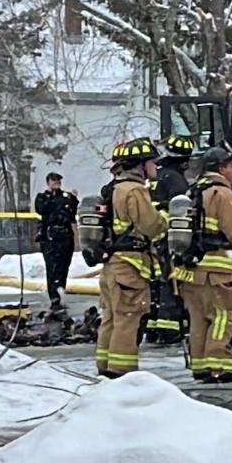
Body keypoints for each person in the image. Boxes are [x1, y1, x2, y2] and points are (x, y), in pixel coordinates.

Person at [172, 146, 232, 383]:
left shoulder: (193, 191)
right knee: (224, 316)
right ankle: (219, 366)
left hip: (191, 271)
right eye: (231, 166)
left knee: (200, 318)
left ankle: (200, 365)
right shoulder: (223, 194)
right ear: (221, 168)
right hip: (218, 271)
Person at [93, 138, 167, 377]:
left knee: (112, 317)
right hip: (130, 265)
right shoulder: (134, 190)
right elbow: (151, 226)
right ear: (140, 165)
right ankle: (122, 371)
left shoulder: (112, 188)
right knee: (129, 317)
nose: (155, 167)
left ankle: (105, 366)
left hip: (112, 265)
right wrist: (165, 217)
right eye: (152, 162)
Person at [144, 135, 196, 344]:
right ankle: (169, 327)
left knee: (155, 281)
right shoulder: (176, 179)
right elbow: (180, 211)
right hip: (168, 236)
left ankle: (153, 325)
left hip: (150, 236)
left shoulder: (154, 177)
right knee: (171, 279)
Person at [32, 172, 78, 309]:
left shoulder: (67, 197)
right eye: (53, 181)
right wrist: (53, 199)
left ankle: (60, 288)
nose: (56, 183)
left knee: (64, 265)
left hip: (65, 236)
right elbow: (42, 209)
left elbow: (72, 213)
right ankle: (54, 296)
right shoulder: (43, 197)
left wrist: (73, 199)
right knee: (52, 266)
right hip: (50, 236)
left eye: (58, 180)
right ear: (48, 182)